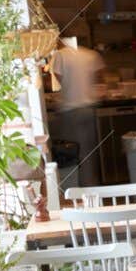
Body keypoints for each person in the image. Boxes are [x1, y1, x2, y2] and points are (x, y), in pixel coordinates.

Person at [48, 36, 106, 187]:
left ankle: (74, 192)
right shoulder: (91, 55)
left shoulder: (60, 55)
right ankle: (91, 189)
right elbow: (100, 76)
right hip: (88, 109)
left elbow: (55, 82)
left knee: (70, 154)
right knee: (88, 153)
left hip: (70, 110)